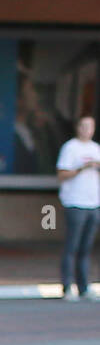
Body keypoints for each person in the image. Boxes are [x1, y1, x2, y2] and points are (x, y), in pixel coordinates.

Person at [56, 115, 99, 301]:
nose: (86, 129)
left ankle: (83, 287)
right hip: (75, 202)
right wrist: (82, 168)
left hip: (93, 203)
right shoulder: (70, 148)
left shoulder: (96, 149)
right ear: (77, 127)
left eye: (89, 126)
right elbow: (62, 174)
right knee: (72, 246)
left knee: (86, 248)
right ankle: (67, 287)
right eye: (83, 126)